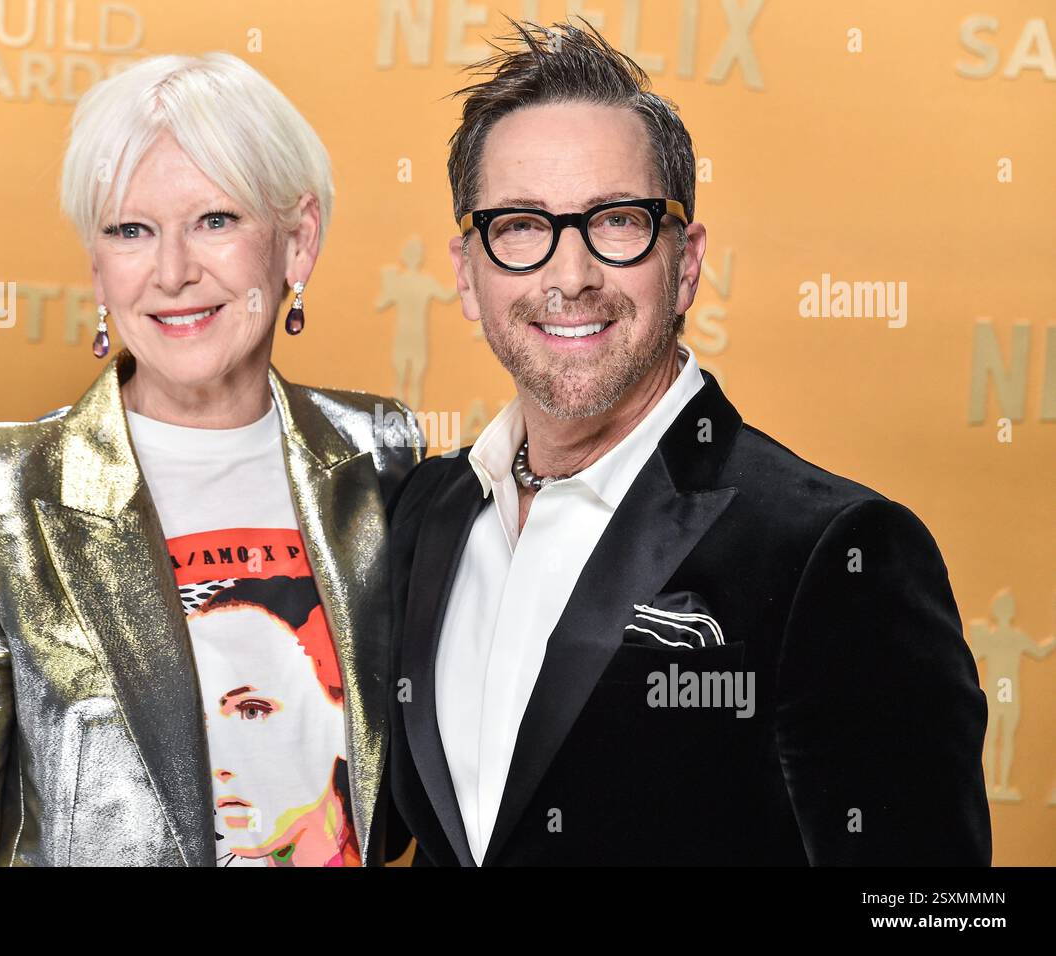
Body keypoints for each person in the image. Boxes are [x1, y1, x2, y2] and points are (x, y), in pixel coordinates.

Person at [386, 18, 991, 866]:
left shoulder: (835, 553)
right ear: (465, 272)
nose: (571, 277)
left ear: (687, 262)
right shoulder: (428, 511)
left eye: (619, 221)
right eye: (522, 225)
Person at [0, 52, 423, 867]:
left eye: (215, 220)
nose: (174, 272)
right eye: (131, 230)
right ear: (97, 266)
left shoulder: (383, 458)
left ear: (297, 243)